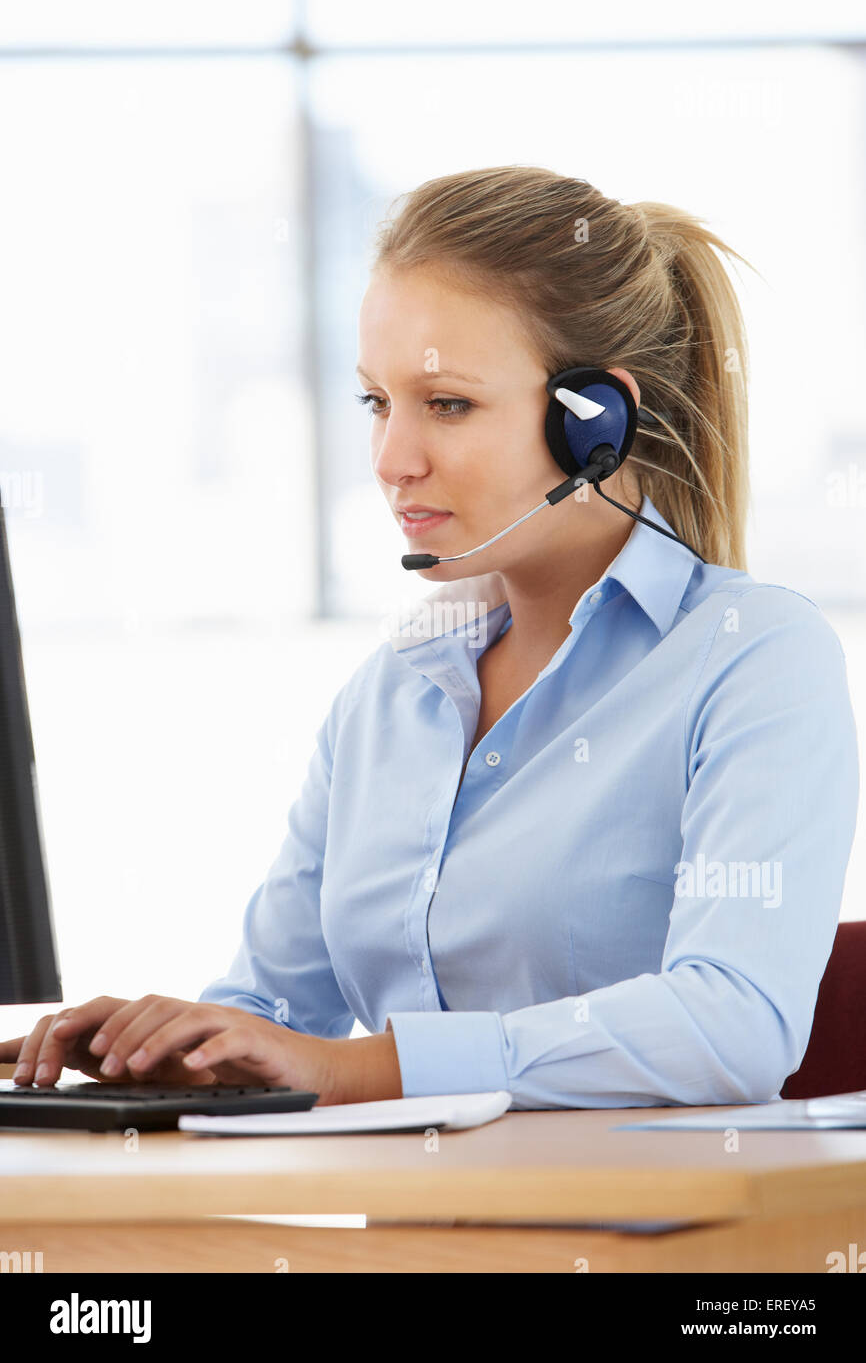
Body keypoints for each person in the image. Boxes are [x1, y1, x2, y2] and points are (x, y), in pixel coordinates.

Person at [2, 166, 859, 1109]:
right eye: (377, 402)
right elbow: (274, 1008)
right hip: (396, 1243)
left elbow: (730, 1026)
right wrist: (178, 1049)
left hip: (642, 1245)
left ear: (594, 423)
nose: (390, 461)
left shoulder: (752, 656)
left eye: (446, 404)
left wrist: (359, 1069)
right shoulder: (391, 694)